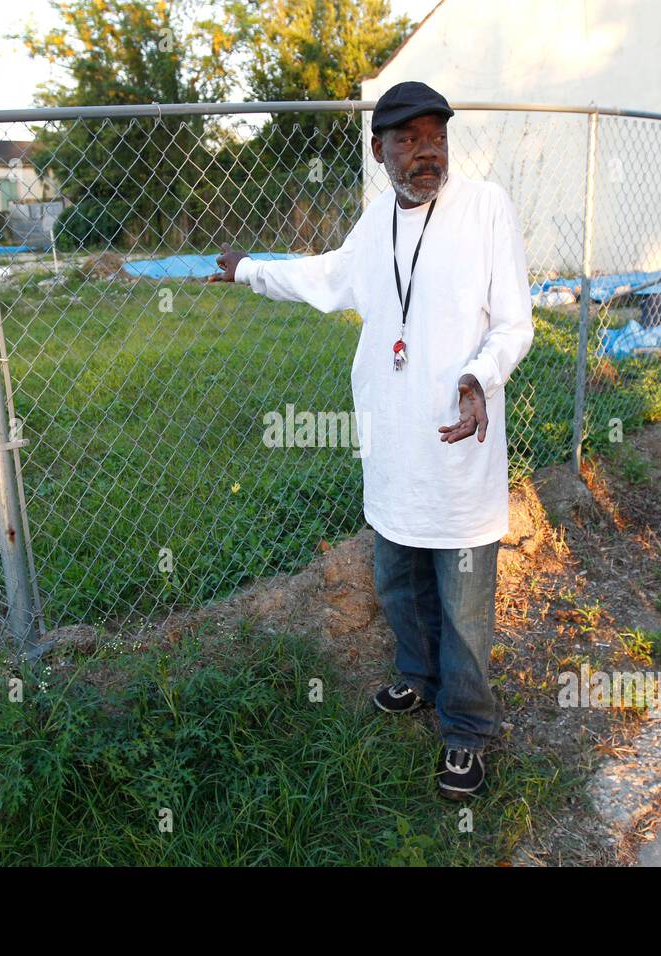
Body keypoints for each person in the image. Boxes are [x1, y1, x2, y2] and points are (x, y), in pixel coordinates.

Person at [209, 81, 534, 798]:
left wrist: (481, 376)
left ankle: (468, 730)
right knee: (397, 585)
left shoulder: (485, 209)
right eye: (409, 138)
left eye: (436, 136)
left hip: (458, 455)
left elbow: (516, 324)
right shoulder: (374, 224)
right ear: (379, 148)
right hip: (393, 453)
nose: (428, 151)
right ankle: (417, 681)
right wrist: (248, 269)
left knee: (465, 607)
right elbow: (323, 276)